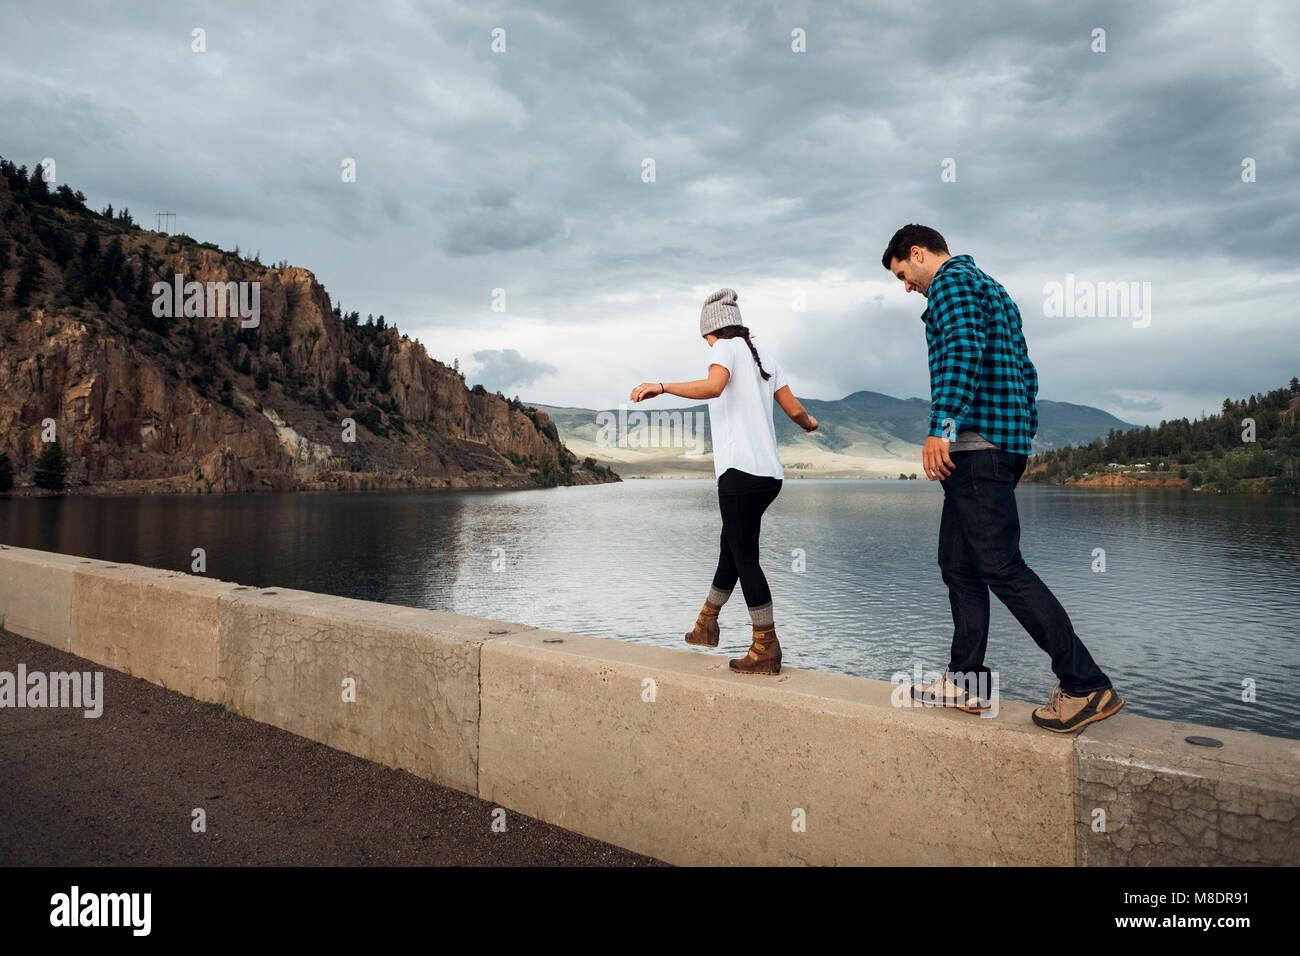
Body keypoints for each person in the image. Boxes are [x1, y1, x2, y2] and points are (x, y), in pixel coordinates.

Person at [880, 224, 1124, 732]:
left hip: (973, 450)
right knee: (958, 564)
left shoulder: (951, 283)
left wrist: (940, 428)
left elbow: (962, 353)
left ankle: (1085, 684)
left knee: (1002, 567)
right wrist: (1022, 443)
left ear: (919, 254)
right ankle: (966, 682)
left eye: (904, 274)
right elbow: (1026, 374)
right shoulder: (994, 288)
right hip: (997, 449)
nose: (907, 287)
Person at [630, 288, 818, 674]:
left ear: (711, 332)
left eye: (706, 339)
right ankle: (705, 624)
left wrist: (661, 386)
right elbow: (796, 410)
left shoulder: (725, 349)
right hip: (769, 477)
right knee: (731, 548)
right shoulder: (765, 358)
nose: (708, 345)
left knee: (745, 557)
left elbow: (713, 386)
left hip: (739, 474)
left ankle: (765, 647)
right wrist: (810, 425)